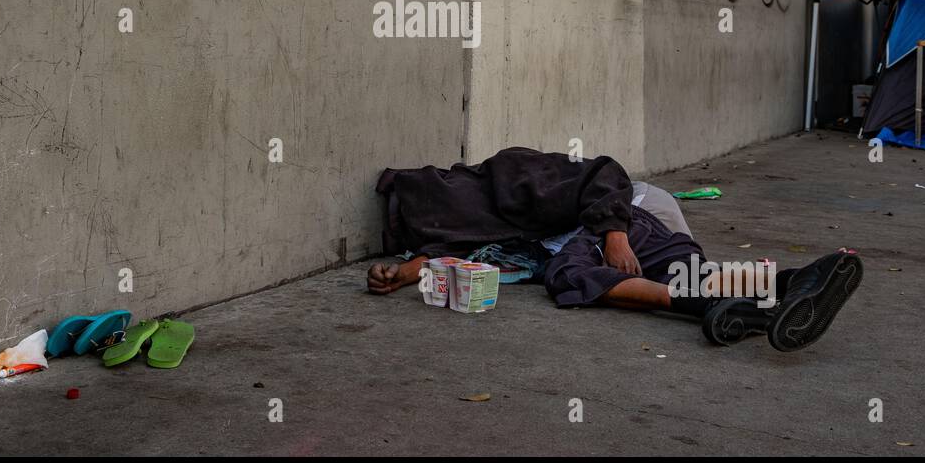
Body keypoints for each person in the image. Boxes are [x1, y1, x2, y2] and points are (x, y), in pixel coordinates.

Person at [367, 147, 862, 352]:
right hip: (620, 235)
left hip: (629, 214)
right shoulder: (474, 225)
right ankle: (788, 283)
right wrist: (406, 273)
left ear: (450, 192)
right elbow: (456, 254)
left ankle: (705, 304)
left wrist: (614, 233)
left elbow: (605, 172)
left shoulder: (511, 174)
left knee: (568, 274)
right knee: (683, 271)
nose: (437, 235)